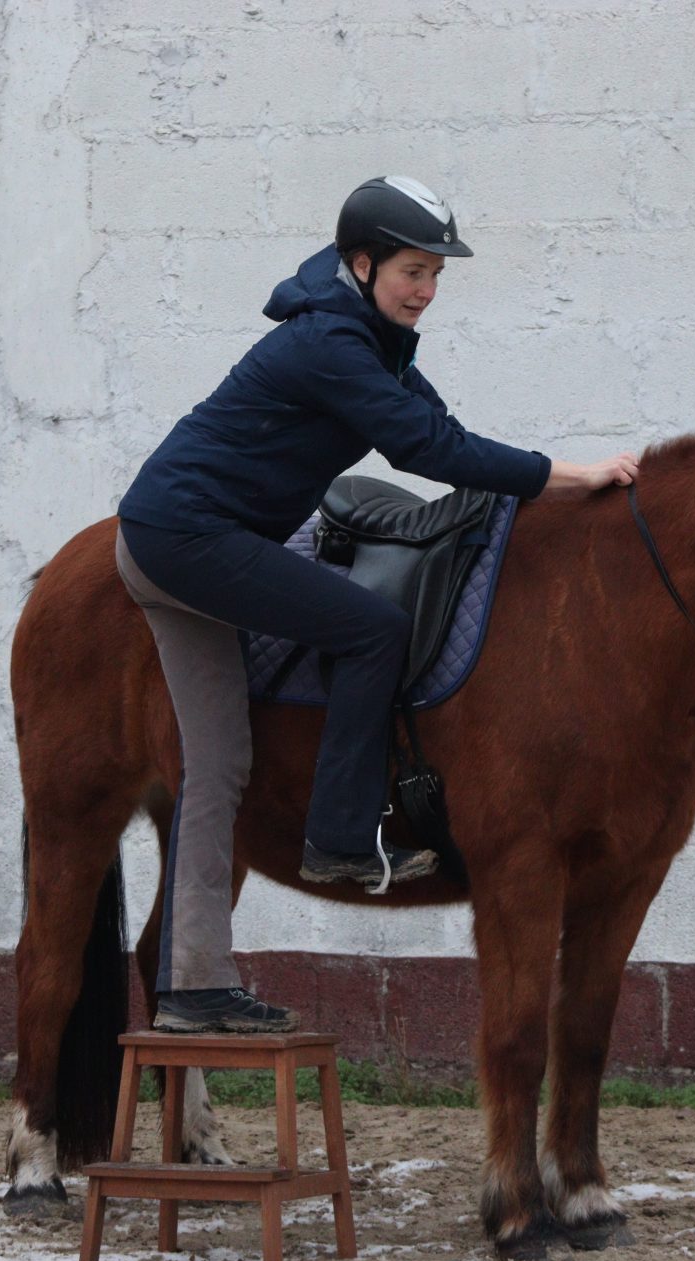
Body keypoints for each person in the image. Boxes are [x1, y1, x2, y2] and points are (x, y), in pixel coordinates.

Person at [114, 175, 640, 1033]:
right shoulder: (331, 343)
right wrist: (569, 473)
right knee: (373, 628)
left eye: (435, 275)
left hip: (172, 536)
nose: (426, 292)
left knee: (215, 766)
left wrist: (533, 485)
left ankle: (191, 982)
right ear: (362, 264)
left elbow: (446, 430)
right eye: (410, 273)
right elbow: (424, 447)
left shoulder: (377, 340)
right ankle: (343, 838)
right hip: (185, 539)